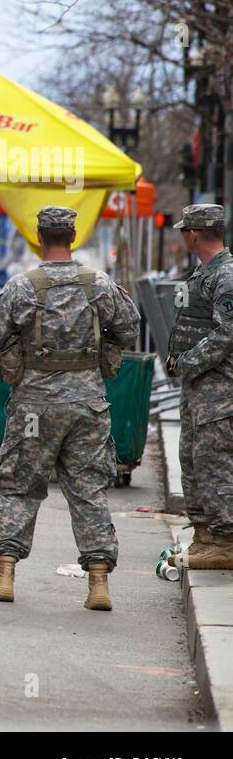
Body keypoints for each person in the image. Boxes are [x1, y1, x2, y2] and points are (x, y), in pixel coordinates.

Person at [0, 206, 139, 610]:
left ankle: (5, 577)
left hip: (35, 405)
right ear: (74, 235)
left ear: (38, 234)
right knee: (88, 490)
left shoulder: (22, 286)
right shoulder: (99, 284)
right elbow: (131, 328)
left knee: (19, 487)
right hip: (87, 404)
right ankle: (98, 585)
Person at [166, 204, 233, 570]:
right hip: (199, 388)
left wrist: (188, 361)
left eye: (184, 231)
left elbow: (227, 333)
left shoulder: (226, 275)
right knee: (193, 460)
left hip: (219, 391)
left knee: (214, 461)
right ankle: (206, 533)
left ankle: (226, 539)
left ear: (194, 233)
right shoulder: (205, 273)